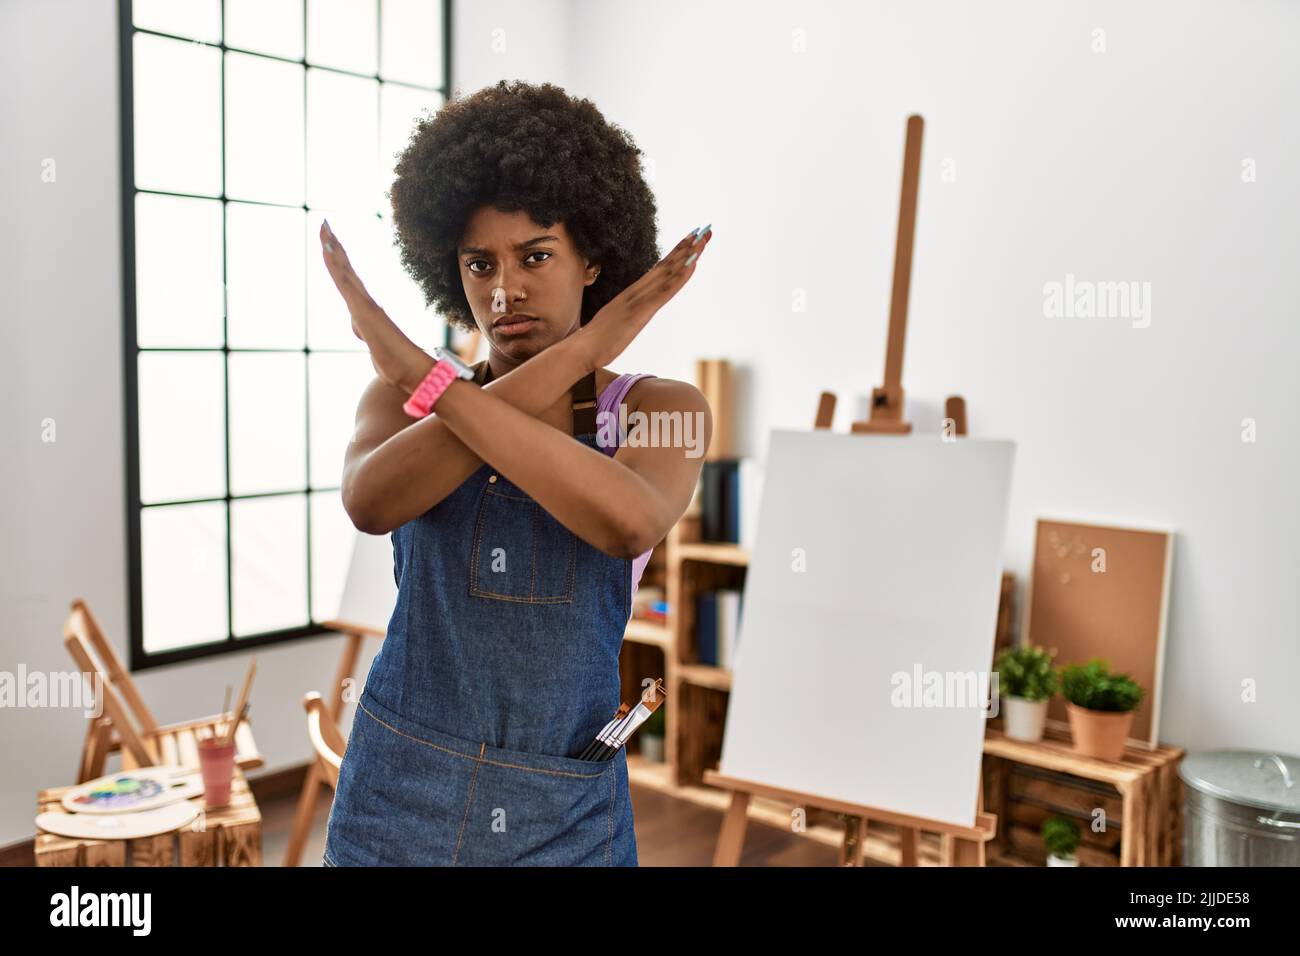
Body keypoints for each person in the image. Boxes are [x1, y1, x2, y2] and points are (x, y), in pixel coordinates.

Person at [317, 80, 713, 866]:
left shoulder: (661, 409)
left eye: (536, 255)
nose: (504, 290)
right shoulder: (394, 397)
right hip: (396, 792)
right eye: (478, 264)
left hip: (562, 806)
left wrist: (423, 375)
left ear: (594, 256)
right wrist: (582, 348)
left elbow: (627, 520)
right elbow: (370, 501)